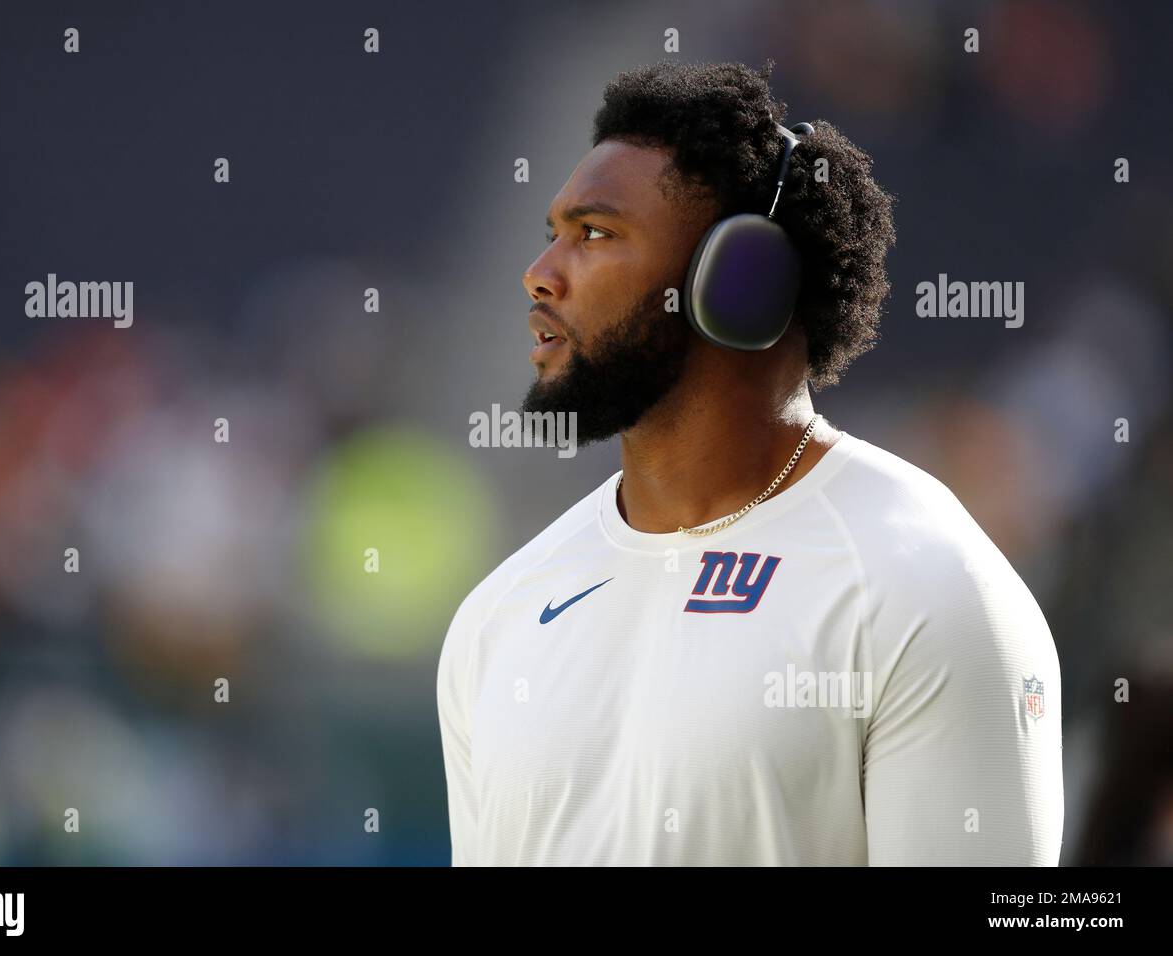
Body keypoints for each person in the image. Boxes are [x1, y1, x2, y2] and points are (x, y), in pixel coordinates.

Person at [436, 60, 1063, 865]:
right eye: (551, 234)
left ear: (739, 279)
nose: (541, 274)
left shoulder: (925, 585)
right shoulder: (500, 616)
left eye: (593, 234)